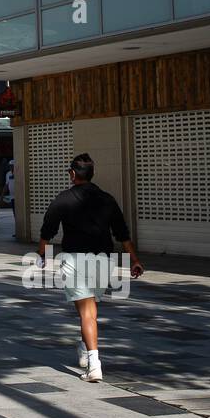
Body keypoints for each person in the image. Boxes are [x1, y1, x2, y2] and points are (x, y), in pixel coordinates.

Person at [37, 153, 143, 383]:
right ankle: (85, 348)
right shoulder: (107, 199)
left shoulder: (64, 198)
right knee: (89, 309)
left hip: (76, 260)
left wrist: (42, 252)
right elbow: (122, 232)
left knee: (87, 312)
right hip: (103, 261)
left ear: (73, 174)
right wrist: (134, 259)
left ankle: (94, 363)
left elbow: (48, 228)